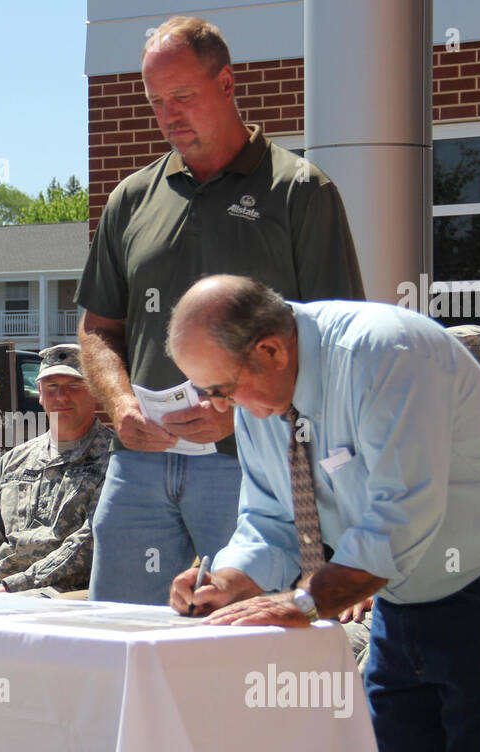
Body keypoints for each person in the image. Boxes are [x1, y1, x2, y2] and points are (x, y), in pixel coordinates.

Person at [166, 275, 480, 752]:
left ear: (271, 350)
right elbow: (272, 516)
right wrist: (228, 578)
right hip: (398, 596)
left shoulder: (385, 352)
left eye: (221, 388)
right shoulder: (262, 387)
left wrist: (304, 602)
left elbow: (401, 513)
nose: (216, 406)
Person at [76, 15, 363, 606]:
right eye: (157, 102)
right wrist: (121, 403)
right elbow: (98, 331)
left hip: (254, 471)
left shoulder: (300, 192)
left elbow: (337, 346)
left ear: (228, 85)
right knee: (120, 641)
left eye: (183, 96)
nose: (169, 116)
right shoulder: (131, 200)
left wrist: (242, 414)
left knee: (248, 652)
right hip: (138, 470)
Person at [0, 344, 112, 594]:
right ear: (39, 393)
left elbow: (90, 543)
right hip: (1, 593)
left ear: (95, 391)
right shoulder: (14, 461)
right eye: (52, 387)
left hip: (66, 595)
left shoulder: (115, 460)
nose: (62, 396)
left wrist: (12, 587)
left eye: (74, 386)